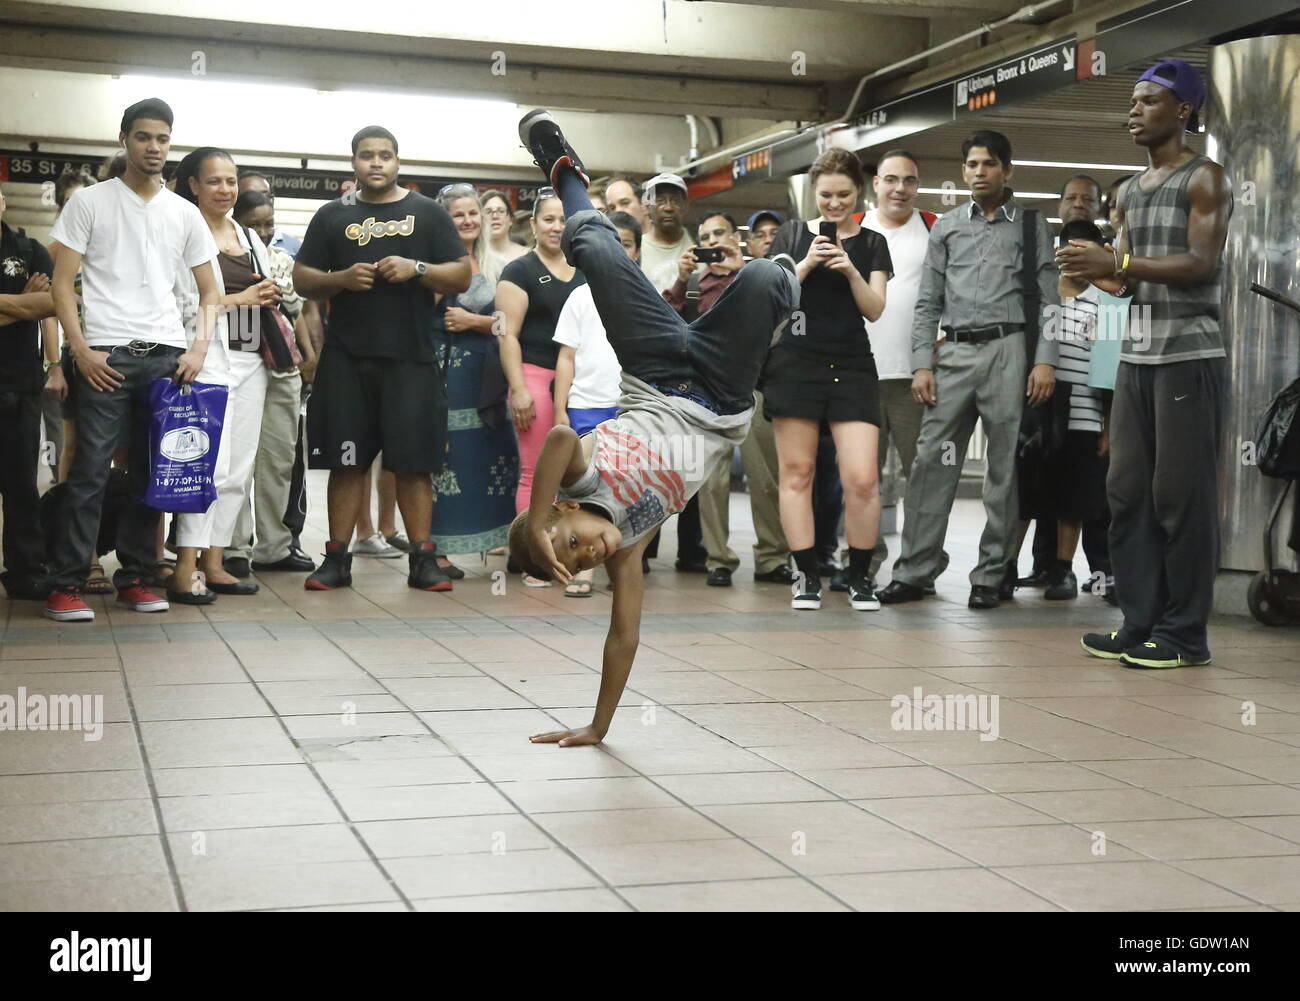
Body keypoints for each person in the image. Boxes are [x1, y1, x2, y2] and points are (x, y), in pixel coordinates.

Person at [508, 109, 796, 746]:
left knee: (594, 252)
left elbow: (558, 439)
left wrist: (536, 514)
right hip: (720, 392)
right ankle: (782, 291)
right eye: (582, 562)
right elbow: (623, 637)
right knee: (762, 275)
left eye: (573, 543)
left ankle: (562, 171)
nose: (592, 553)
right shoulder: (631, 549)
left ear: (563, 511)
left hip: (652, 367)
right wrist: (597, 726)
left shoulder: (582, 478)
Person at [1061, 59, 1232, 668]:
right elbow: (1122, 280)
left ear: (1183, 110)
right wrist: (1093, 283)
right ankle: (1140, 622)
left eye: (1148, 101)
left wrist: (1118, 267)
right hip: (1135, 356)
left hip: (1188, 356)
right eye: (1131, 102)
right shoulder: (1128, 192)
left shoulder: (1205, 178)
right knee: (1127, 492)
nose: (1133, 111)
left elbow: (1200, 265)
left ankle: (1186, 635)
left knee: (1180, 497)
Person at [44, 98, 221, 622]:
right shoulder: (90, 203)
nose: (154, 148)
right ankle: (67, 583)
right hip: (106, 354)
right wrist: (79, 350)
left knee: (154, 473)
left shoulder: (184, 213)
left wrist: (198, 349)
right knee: (90, 471)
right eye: (144, 137)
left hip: (166, 356)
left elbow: (209, 292)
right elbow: (59, 284)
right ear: (124, 138)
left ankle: (138, 578)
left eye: (163, 139)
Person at [878, 130, 1059, 611]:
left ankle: (991, 575)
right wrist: (921, 365)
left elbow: (1050, 300)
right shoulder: (949, 226)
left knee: (1004, 470)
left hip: (1010, 349)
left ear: (1007, 171)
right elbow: (927, 303)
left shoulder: (1031, 225)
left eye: (989, 165)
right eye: (972, 165)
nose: (979, 173)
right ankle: (916, 570)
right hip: (954, 354)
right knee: (929, 464)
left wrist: (1045, 359)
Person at [293, 125, 471, 592]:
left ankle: (423, 561)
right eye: (367, 155)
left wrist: (418, 269)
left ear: (398, 162)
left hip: (411, 359)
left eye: (385, 155)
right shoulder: (332, 215)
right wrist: (341, 279)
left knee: (413, 463)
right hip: (347, 360)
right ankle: (335, 560)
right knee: (345, 462)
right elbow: (302, 279)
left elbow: (462, 275)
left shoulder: (427, 213)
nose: (376, 163)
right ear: (353, 162)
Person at [761, 148, 892, 611]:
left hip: (852, 362)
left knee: (861, 479)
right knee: (797, 473)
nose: (834, 204)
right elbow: (776, 295)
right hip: (795, 362)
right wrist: (808, 263)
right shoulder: (793, 234)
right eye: (825, 195)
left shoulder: (874, 243)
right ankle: (805, 576)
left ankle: (859, 576)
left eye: (844, 195)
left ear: (859, 191)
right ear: (812, 194)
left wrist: (850, 268)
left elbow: (874, 309)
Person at [165, 147, 283, 604]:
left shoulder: (247, 236)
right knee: (204, 464)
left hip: (251, 358)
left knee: (238, 468)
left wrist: (265, 294)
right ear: (192, 184)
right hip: (205, 357)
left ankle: (216, 561)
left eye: (231, 181)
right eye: (214, 181)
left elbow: (264, 292)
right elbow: (178, 303)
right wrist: (243, 298)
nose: (226, 189)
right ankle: (185, 566)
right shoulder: (182, 231)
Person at [665, 212, 790, 587]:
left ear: (736, 238)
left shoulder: (757, 275)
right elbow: (665, 322)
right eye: (705, 236)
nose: (714, 242)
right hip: (708, 393)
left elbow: (786, 309)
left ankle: (772, 557)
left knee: (765, 478)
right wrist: (679, 275)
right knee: (712, 482)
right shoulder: (691, 282)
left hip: (755, 388)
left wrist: (740, 273)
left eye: (720, 233)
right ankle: (718, 559)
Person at [1011, 219, 1113, 601]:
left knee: (1073, 498)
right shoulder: (1038, 294)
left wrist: (1108, 428)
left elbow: (1110, 371)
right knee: (1023, 493)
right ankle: (1006, 566)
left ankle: (1063, 570)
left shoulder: (1110, 303)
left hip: (1085, 411)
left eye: (1084, 250)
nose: (1074, 258)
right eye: (1067, 249)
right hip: (1035, 407)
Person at [855, 150, 944, 585]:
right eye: (891, 179)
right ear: (875, 184)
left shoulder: (934, 228)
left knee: (921, 477)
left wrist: (938, 346)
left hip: (914, 377)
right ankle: (865, 562)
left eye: (909, 180)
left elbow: (950, 293)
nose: (900, 188)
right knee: (864, 478)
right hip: (860, 376)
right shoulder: (854, 228)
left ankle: (920, 566)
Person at [226, 189, 319, 575]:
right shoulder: (224, 257)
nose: (263, 232)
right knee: (238, 460)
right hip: (239, 363)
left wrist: (309, 355)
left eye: (269, 224)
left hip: (282, 367)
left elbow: (297, 312)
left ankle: (275, 545)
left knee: (279, 458)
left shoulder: (282, 260)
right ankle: (232, 547)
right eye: (254, 225)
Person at [497, 188, 587, 585]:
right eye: (548, 219)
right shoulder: (519, 271)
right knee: (536, 474)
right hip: (536, 377)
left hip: (583, 383)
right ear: (532, 224)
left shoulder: (587, 270)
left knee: (579, 477)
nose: (556, 227)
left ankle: (571, 555)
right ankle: (535, 558)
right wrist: (518, 388)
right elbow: (507, 335)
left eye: (563, 220)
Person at [428, 183, 520, 574]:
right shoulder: (432, 262)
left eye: (472, 213)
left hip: (490, 375)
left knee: (497, 457)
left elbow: (512, 324)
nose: (467, 220)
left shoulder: (499, 263)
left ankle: (506, 541)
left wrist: (474, 321)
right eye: (458, 215)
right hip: (443, 373)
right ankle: (435, 549)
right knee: (444, 462)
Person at [550, 210, 638, 596]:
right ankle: (584, 567)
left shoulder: (643, 294)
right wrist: (560, 409)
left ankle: (625, 561)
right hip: (587, 405)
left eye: (627, 244)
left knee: (628, 487)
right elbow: (566, 357)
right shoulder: (579, 296)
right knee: (586, 489)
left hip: (632, 406)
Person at [0, 181, 58, 600]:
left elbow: (51, 304)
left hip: (18, 384)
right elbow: (32, 308)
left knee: (21, 483)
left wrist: (27, 306)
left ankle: (25, 570)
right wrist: (20, 305)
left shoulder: (28, 249)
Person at [638, 173, 694, 293]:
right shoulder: (635, 249)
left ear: (686, 206)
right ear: (647, 207)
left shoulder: (700, 244)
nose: (668, 207)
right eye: (660, 201)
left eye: (675, 200)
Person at [236, 170, 302, 257]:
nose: (259, 202)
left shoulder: (293, 249)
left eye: (264, 196)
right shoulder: (221, 247)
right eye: (250, 197)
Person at [480, 188, 527, 268]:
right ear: (480, 219)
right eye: (488, 212)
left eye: (501, 211)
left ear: (511, 219)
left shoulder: (527, 255)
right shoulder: (474, 256)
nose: (495, 216)